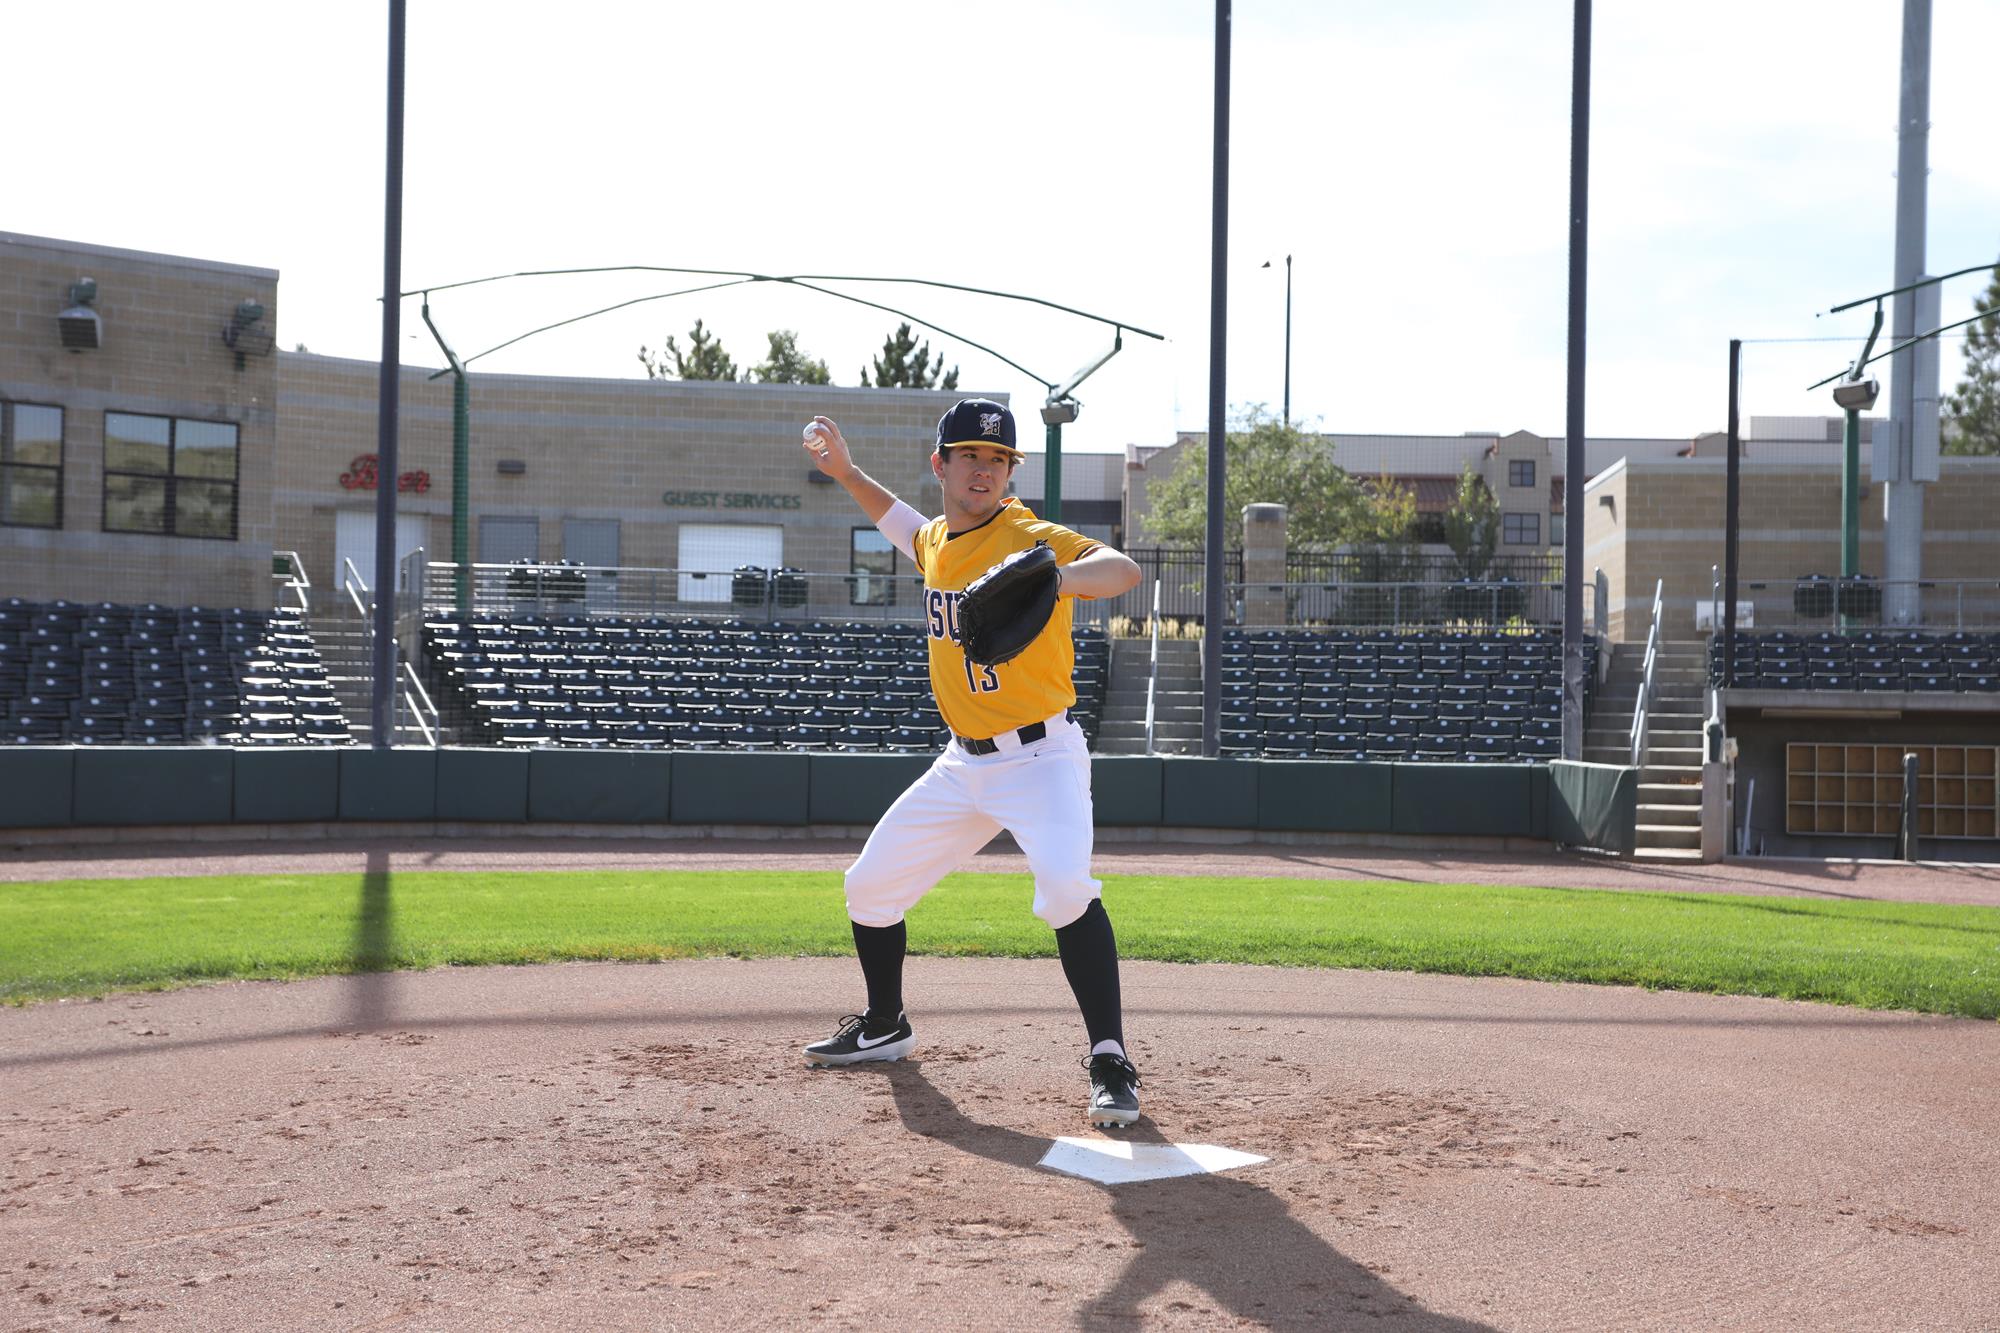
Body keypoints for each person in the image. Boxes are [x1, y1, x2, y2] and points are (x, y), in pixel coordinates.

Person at [798, 398, 1146, 1128]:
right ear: (942, 465)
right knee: (869, 885)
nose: (984, 469)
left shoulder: (1028, 535)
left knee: (1064, 885)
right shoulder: (935, 541)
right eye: (970, 456)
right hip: (964, 765)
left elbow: (1122, 570)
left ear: (1009, 472)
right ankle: (885, 1022)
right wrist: (846, 470)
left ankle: (1109, 1057)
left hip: (1042, 754)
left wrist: (1057, 577)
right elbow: (899, 522)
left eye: (997, 459)